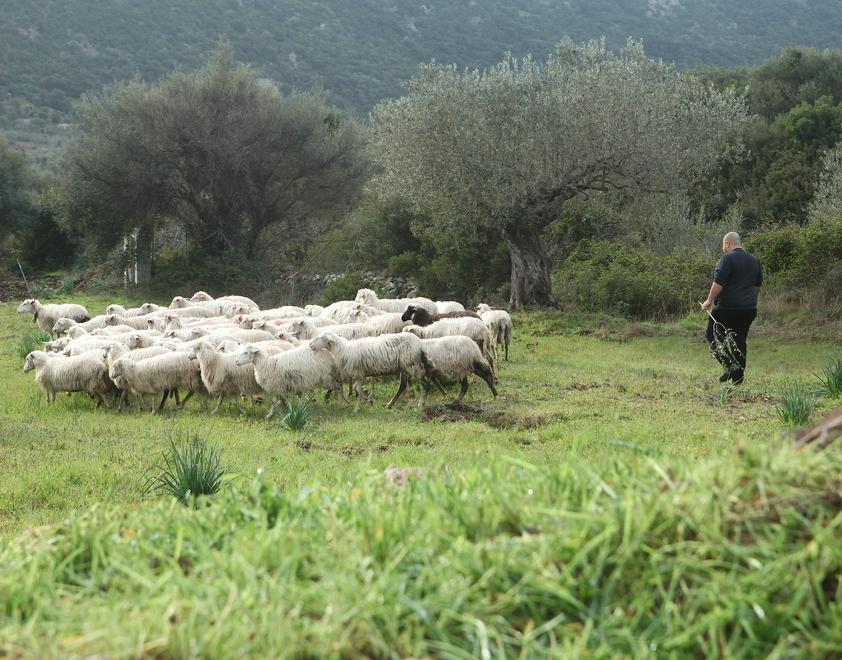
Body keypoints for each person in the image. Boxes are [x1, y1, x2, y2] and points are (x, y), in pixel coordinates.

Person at [700, 232, 762, 385]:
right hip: (748, 309)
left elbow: (718, 282)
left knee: (712, 335)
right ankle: (738, 380)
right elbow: (758, 285)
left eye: (723, 245)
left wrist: (709, 301)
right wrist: (750, 299)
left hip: (727, 308)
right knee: (739, 341)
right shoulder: (754, 260)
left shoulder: (727, 259)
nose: (723, 248)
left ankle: (729, 365)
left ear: (728, 243)